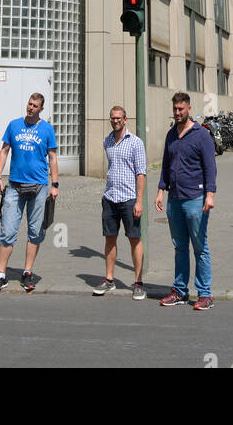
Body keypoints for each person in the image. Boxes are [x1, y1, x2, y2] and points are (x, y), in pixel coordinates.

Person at [0, 92, 58, 294]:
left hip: (39, 186)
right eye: (29, 104)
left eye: (35, 105)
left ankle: (27, 272)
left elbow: (52, 157)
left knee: (36, 232)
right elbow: (4, 150)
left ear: (41, 109)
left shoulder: (47, 129)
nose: (30, 108)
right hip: (15, 186)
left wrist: (55, 184)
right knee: (7, 231)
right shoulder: (14, 125)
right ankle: (1, 275)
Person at [155, 91, 217, 310]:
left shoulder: (201, 135)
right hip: (174, 199)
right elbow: (165, 164)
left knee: (200, 247)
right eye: (175, 109)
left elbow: (210, 167)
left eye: (181, 109)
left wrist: (210, 195)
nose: (177, 113)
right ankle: (180, 291)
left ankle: (205, 294)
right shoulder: (171, 134)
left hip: (195, 199)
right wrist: (161, 190)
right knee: (179, 247)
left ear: (189, 108)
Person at [93, 106, 147, 300]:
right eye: (112, 118)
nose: (115, 121)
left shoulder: (135, 143)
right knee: (110, 238)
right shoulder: (107, 141)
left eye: (118, 118)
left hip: (129, 199)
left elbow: (141, 173)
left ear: (125, 120)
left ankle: (138, 282)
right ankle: (109, 279)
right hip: (110, 198)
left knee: (134, 239)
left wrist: (139, 201)